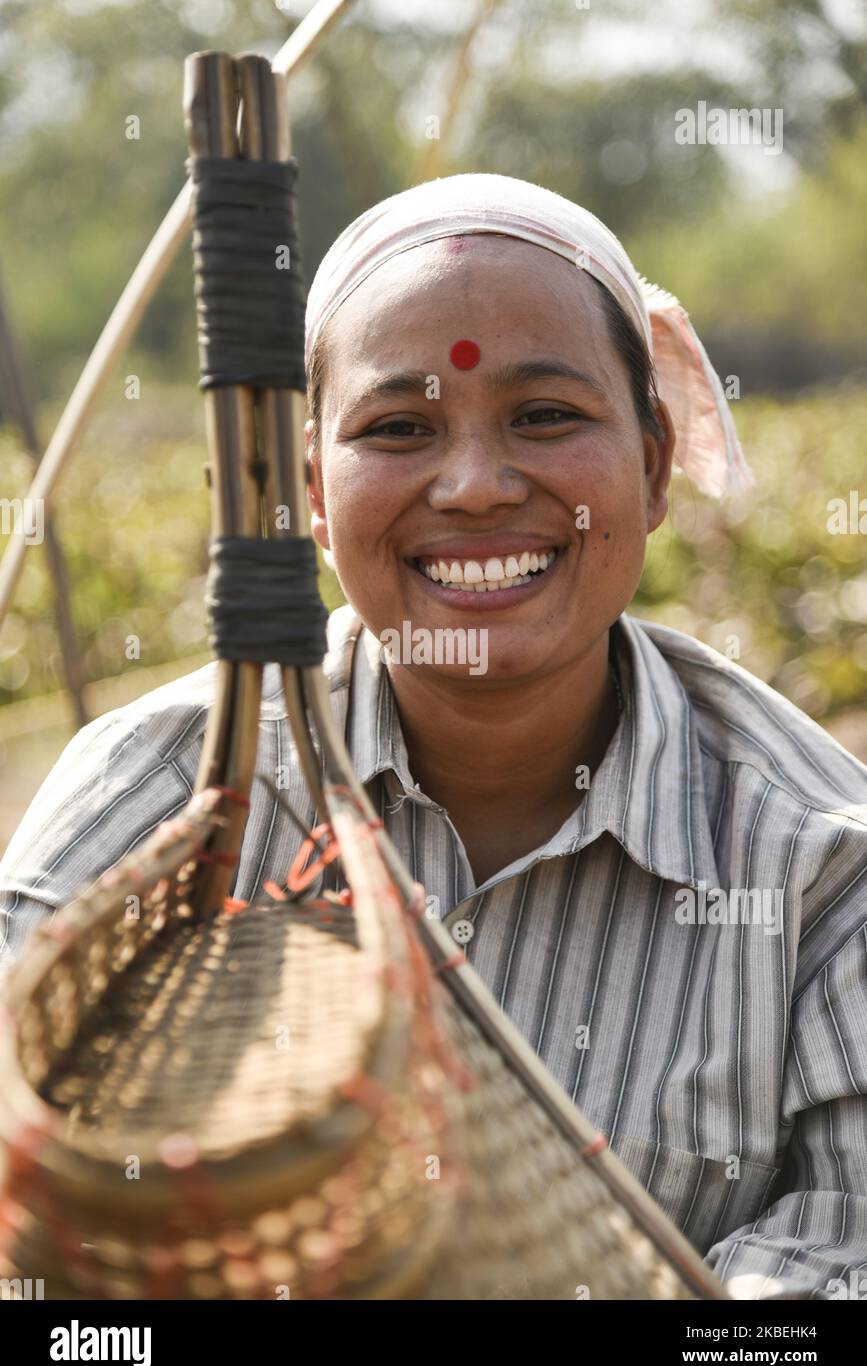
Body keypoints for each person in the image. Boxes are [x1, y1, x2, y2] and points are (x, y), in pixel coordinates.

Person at [1, 174, 865, 1300]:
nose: (473, 486)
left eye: (545, 416)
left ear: (653, 464)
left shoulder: (818, 862)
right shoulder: (160, 791)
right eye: (399, 428)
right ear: (313, 489)